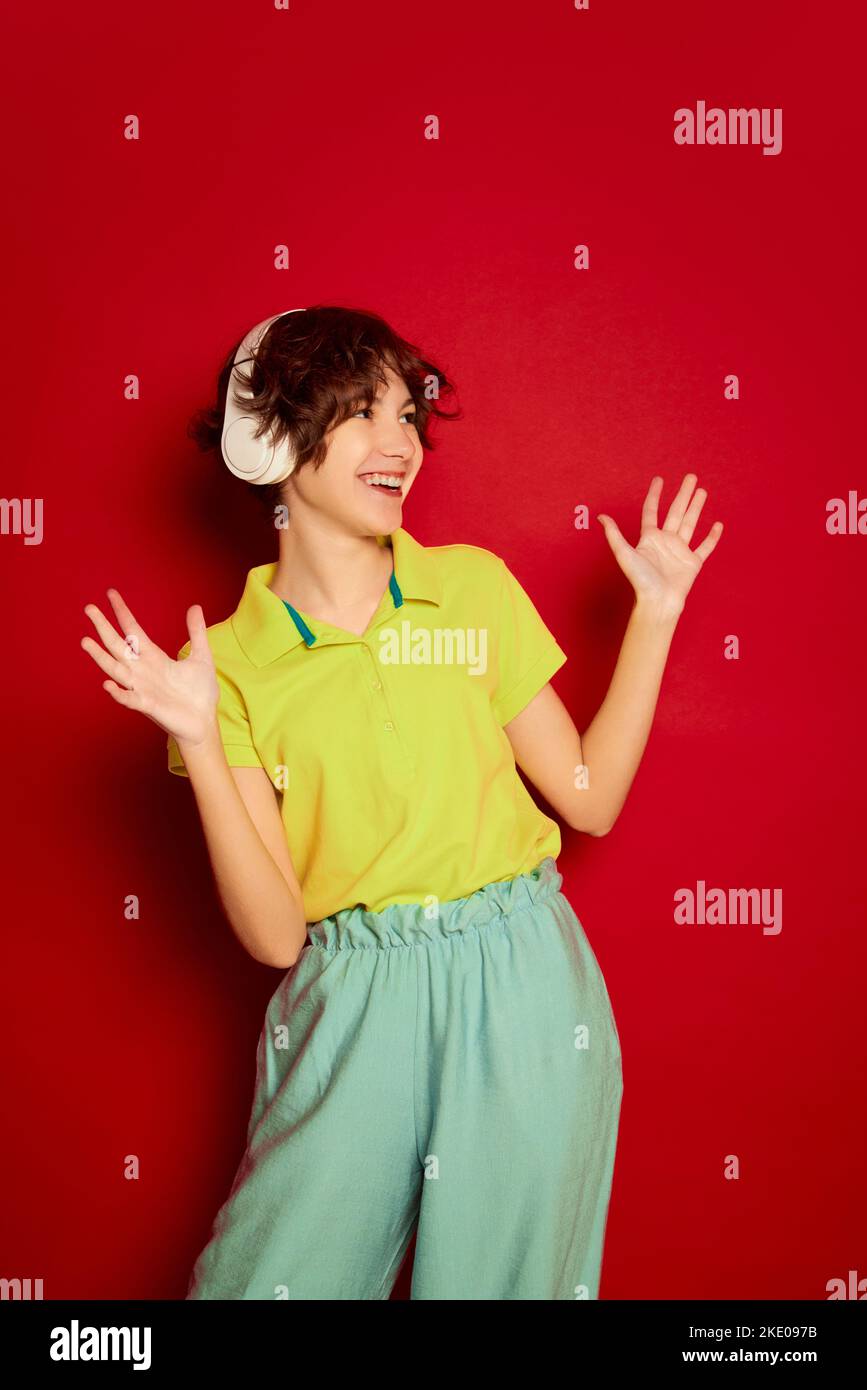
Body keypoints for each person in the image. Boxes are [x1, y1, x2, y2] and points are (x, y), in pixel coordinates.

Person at [80, 304, 723, 1300]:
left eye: (409, 415)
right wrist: (201, 738)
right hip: (353, 1000)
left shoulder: (469, 593)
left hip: (521, 977)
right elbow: (276, 936)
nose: (403, 442)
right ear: (275, 445)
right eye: (364, 413)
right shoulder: (229, 666)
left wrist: (657, 616)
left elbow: (588, 800)